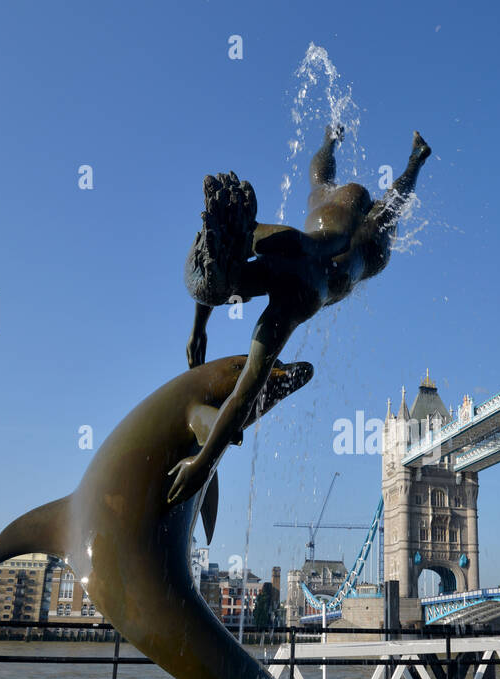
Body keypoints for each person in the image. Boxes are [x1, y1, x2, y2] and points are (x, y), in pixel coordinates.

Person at [170, 125, 430, 505]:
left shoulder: (291, 303)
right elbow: (217, 256)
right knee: (321, 186)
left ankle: (413, 162)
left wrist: (203, 464)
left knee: (387, 213)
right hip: (332, 213)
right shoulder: (266, 237)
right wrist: (198, 330)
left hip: (365, 249)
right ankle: (335, 140)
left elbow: (246, 392)